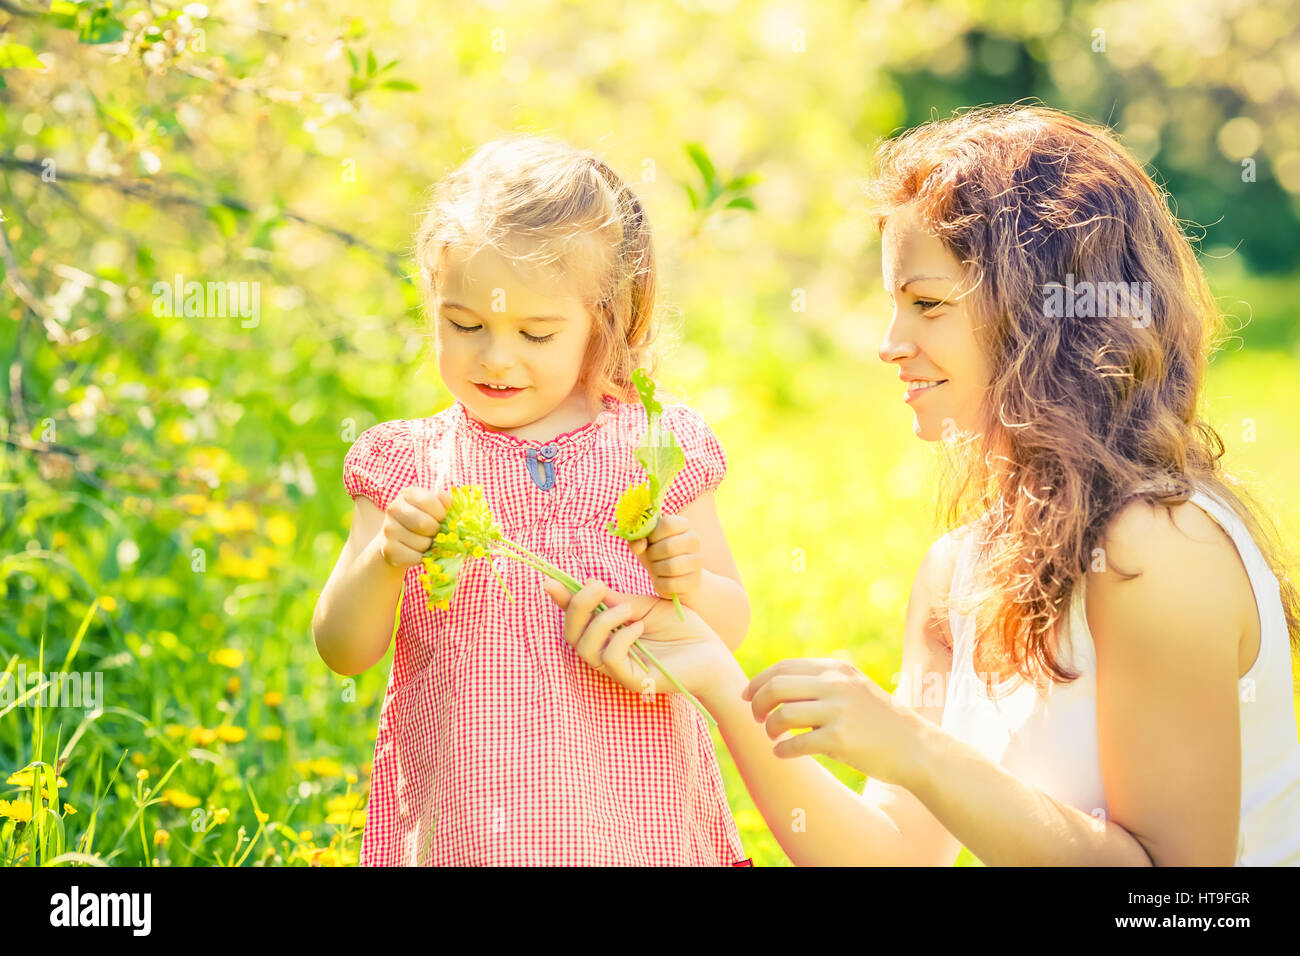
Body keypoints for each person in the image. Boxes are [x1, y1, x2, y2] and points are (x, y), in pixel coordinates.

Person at [546, 104, 1300, 866]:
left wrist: (915, 748)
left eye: (927, 303)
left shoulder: (1157, 551)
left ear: (1049, 311)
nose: (888, 344)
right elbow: (896, 856)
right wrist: (714, 673)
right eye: (893, 304)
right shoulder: (958, 573)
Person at [313, 135, 751, 865]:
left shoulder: (654, 447)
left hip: (636, 825)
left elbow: (728, 626)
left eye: (536, 333)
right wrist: (386, 559)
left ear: (606, 321)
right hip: (472, 827)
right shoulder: (409, 464)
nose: (495, 356)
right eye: (465, 324)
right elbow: (342, 649)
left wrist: (688, 581)